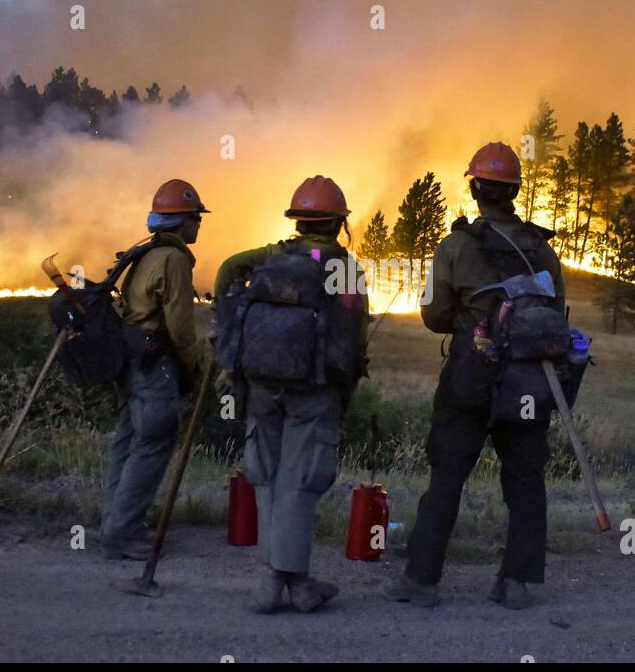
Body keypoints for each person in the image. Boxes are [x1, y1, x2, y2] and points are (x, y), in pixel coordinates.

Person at [383, 142, 566, 610]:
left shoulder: (457, 246)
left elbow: (435, 315)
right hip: (528, 383)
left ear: (475, 188)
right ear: (515, 192)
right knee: (525, 481)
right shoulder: (543, 251)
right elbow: (556, 317)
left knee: (447, 476)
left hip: (471, 378)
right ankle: (516, 584)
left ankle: (421, 582)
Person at [214, 176, 369, 612]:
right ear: (339, 223)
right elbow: (353, 336)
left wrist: (225, 331)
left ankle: (293, 580)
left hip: (260, 385)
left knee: (266, 476)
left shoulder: (269, 258)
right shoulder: (344, 268)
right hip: (315, 390)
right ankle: (275, 581)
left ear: (297, 221)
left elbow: (227, 270)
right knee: (301, 482)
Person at [101, 178, 208, 560]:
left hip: (129, 363)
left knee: (129, 443)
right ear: (182, 221)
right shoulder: (175, 260)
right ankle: (122, 535)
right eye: (196, 217)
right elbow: (179, 327)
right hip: (152, 366)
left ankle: (114, 523)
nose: (199, 225)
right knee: (153, 444)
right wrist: (191, 367)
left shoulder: (145, 253)